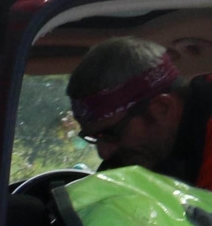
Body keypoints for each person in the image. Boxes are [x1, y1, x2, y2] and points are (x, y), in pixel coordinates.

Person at [67, 37, 212, 186]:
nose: (103, 152)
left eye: (110, 135)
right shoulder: (166, 150)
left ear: (163, 108)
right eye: (94, 137)